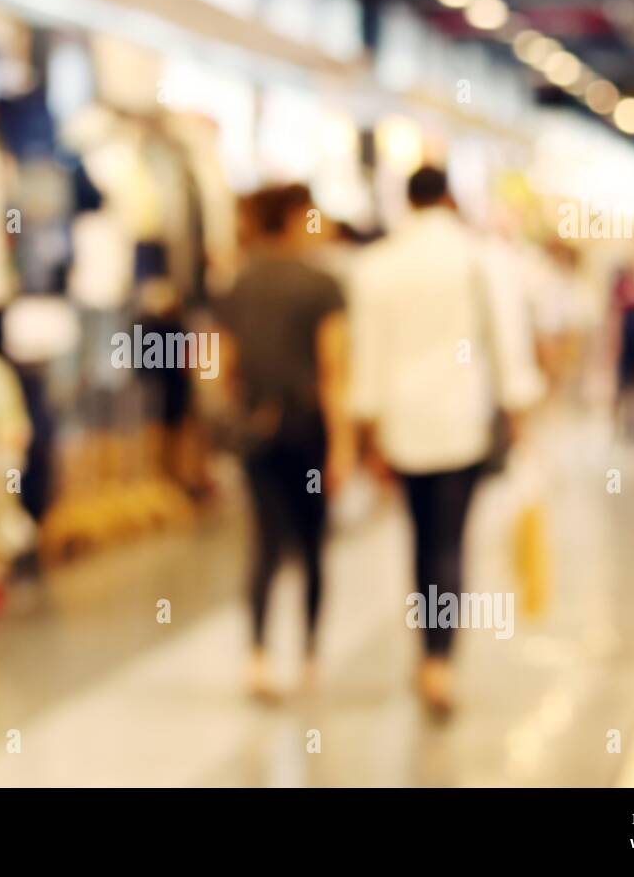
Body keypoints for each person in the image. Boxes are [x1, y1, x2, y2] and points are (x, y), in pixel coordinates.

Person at [350, 166, 542, 717]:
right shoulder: (480, 258)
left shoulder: (378, 265)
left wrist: (367, 430)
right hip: (462, 419)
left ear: (408, 202)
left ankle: (427, 652)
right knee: (450, 540)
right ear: (450, 199)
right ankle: (442, 660)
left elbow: (369, 355)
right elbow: (507, 343)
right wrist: (518, 412)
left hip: (403, 423)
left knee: (418, 538)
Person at [216, 184, 352, 701]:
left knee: (265, 543)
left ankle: (257, 655)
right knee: (313, 543)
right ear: (297, 218)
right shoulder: (322, 285)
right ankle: (311, 654)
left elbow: (221, 366)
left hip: (257, 429)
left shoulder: (238, 284)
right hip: (308, 428)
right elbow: (333, 370)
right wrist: (342, 445)